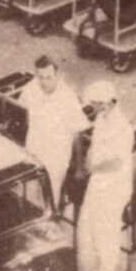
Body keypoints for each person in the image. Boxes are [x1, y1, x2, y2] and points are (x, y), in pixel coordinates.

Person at [75, 80, 134, 271]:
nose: (95, 109)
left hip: (113, 185)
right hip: (98, 180)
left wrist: (93, 167)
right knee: (87, 225)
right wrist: (87, 163)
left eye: (97, 105)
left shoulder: (123, 128)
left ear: (109, 103)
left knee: (105, 236)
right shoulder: (101, 118)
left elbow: (118, 163)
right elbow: (95, 145)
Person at [20, 55, 88, 212]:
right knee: (29, 197)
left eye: (48, 77)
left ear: (57, 75)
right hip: (33, 154)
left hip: (56, 159)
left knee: (51, 201)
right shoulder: (30, 90)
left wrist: (78, 168)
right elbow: (23, 117)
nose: (44, 82)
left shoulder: (68, 98)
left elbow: (78, 133)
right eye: (40, 77)